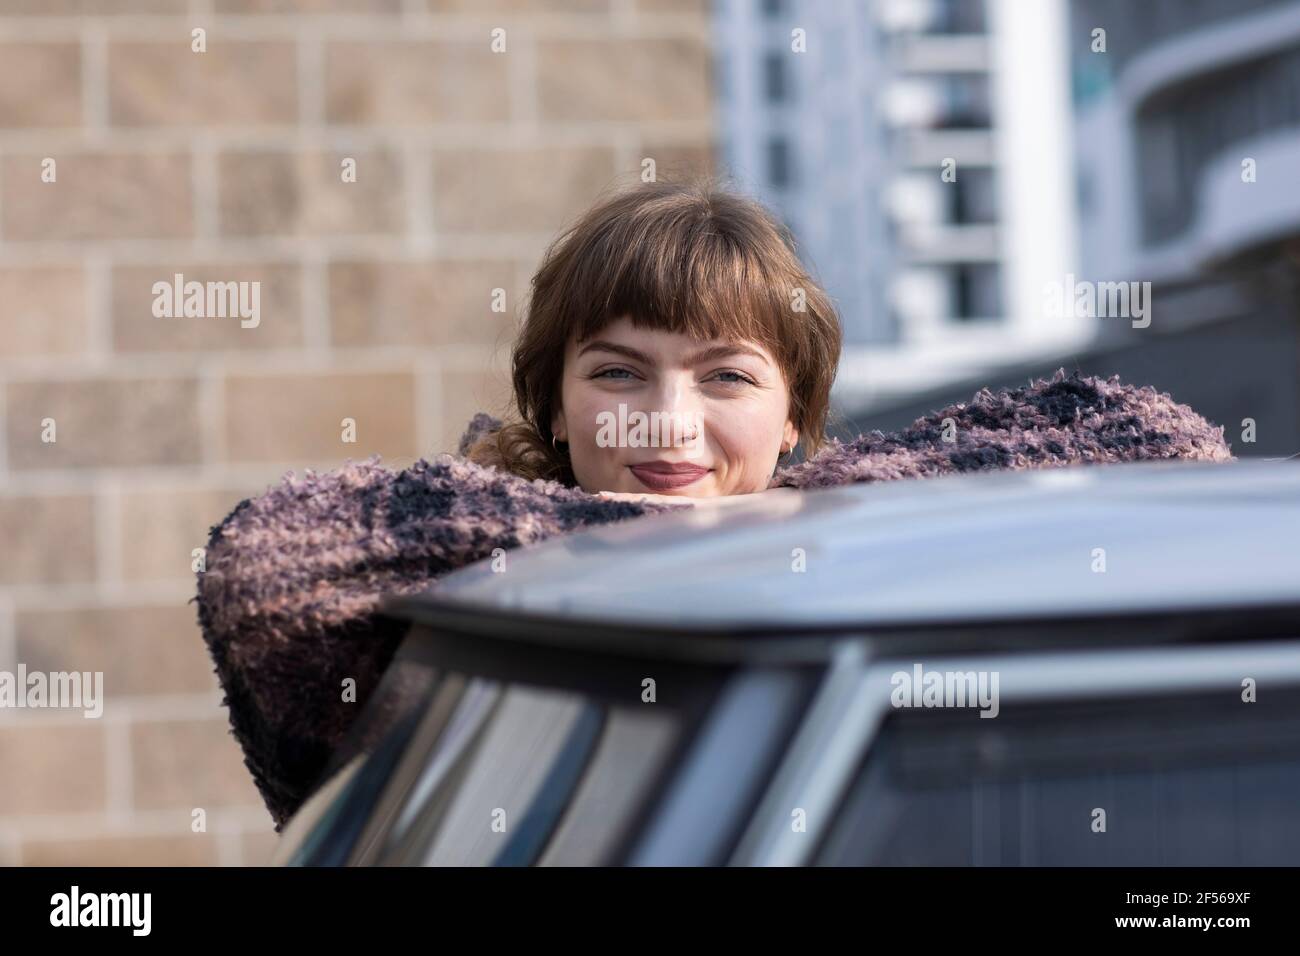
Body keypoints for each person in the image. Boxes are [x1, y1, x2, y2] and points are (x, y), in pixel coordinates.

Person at [193, 177, 1232, 830]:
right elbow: (270, 563)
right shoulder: (453, 557)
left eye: (725, 378)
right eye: (617, 374)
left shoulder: (840, 537)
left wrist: (802, 512)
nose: (666, 422)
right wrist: (675, 540)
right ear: (553, 403)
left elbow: (1166, 439)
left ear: (794, 416)